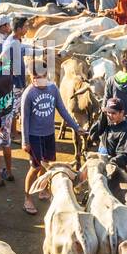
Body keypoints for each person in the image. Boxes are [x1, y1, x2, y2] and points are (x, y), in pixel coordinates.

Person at [19, 72, 83, 216]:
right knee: (35, 167)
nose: (38, 80)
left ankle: (43, 189)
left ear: (46, 76)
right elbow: (25, 119)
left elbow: (63, 111)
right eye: (35, 77)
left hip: (49, 134)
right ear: (31, 77)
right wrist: (25, 141)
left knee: (47, 163)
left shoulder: (53, 89)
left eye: (41, 76)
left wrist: (76, 127)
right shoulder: (28, 94)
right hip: (34, 135)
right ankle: (27, 198)